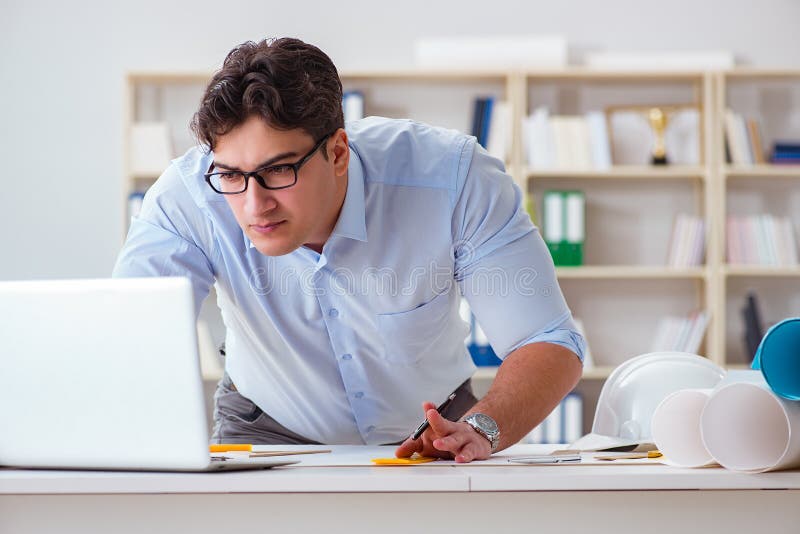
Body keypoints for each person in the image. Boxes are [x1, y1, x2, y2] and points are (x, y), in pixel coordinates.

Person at [113, 37, 585, 463]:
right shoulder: (187, 197)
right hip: (266, 423)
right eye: (232, 175)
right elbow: (129, 335)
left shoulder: (453, 179)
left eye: (278, 171)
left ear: (338, 152)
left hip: (440, 433)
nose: (254, 205)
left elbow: (548, 340)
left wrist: (481, 428)